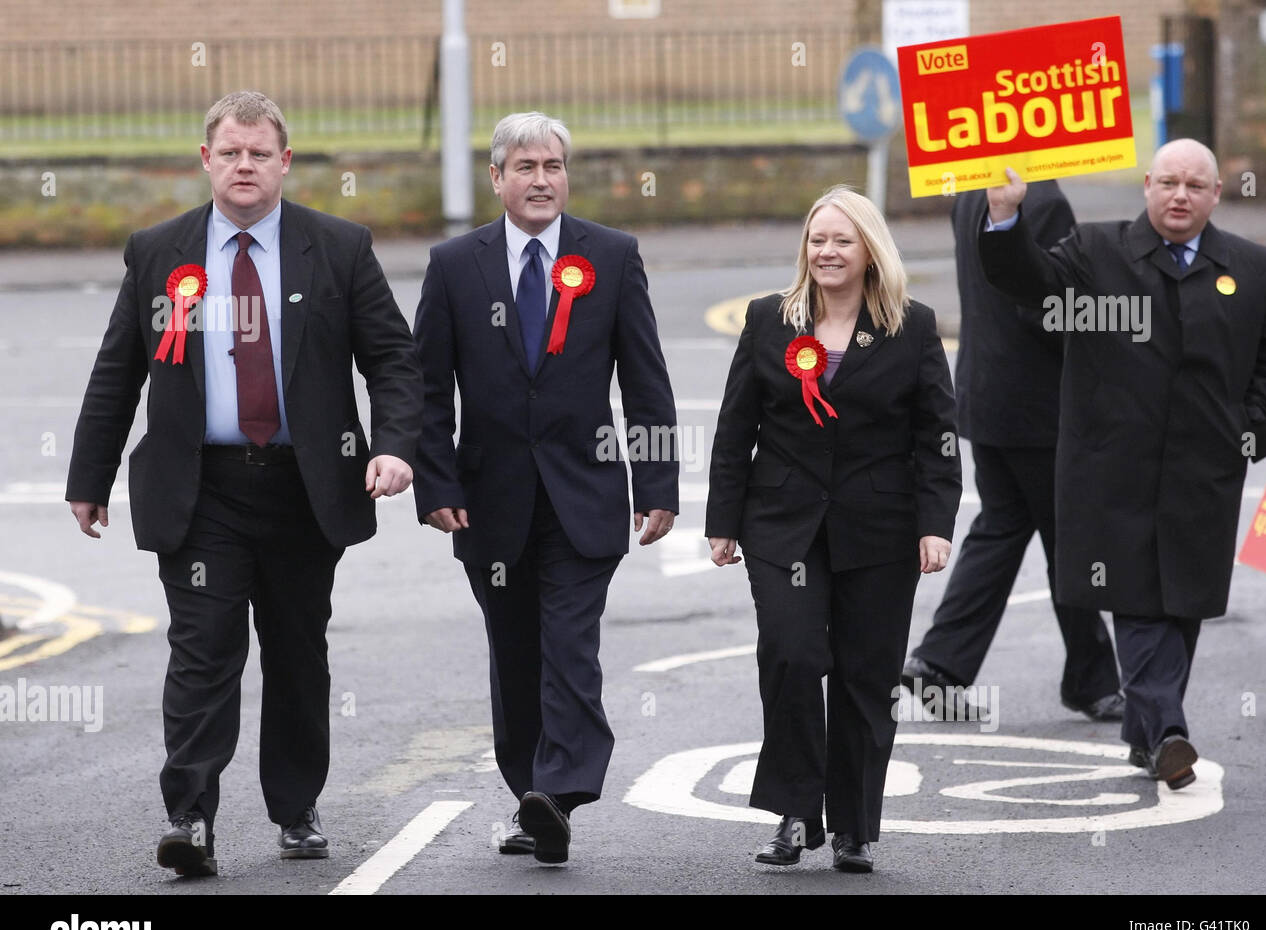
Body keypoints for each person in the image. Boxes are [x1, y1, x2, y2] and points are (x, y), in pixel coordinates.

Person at [65, 91, 422, 876]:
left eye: (260, 153)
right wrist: (88, 476)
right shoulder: (159, 251)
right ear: (206, 160)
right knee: (202, 650)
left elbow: (394, 359)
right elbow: (117, 370)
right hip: (202, 490)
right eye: (230, 152)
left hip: (305, 488)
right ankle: (189, 817)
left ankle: (296, 810)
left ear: (285, 162)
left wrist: (394, 446)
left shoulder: (340, 247)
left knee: (297, 653)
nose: (245, 166)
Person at [981, 138, 1266, 788]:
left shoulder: (1255, 267)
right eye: (1168, 182)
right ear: (1147, 186)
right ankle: (1169, 731)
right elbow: (1031, 287)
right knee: (1138, 601)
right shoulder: (1096, 252)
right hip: (1110, 473)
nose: (1180, 195)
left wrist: (1254, 428)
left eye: (1195, 185)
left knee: (1182, 603)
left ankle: (1143, 733)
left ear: (1215, 195)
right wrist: (1007, 219)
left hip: (1203, 475)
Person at [412, 111, 678, 865]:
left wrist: (656, 483)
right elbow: (429, 389)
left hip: (584, 497)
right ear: (496, 179)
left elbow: (646, 382)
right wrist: (434, 480)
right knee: (515, 657)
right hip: (488, 501)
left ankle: (560, 791)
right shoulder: (455, 265)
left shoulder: (613, 256)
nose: (540, 180)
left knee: (569, 647)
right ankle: (534, 797)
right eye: (525, 167)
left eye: (553, 166)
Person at [705, 186, 962, 872]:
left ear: (870, 250)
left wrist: (936, 525)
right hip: (782, 525)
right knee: (791, 653)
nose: (826, 252)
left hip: (881, 530)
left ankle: (854, 825)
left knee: (865, 675)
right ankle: (794, 811)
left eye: (842, 240)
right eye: (817, 240)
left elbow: (937, 436)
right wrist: (721, 521)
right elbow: (735, 429)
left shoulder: (912, 326)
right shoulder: (769, 320)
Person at [903, 182, 1124, 720]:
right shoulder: (1043, 201)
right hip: (1037, 407)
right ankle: (1091, 681)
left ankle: (938, 663)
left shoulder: (972, 194)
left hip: (986, 395)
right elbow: (1042, 305)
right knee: (1068, 540)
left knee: (1002, 527)